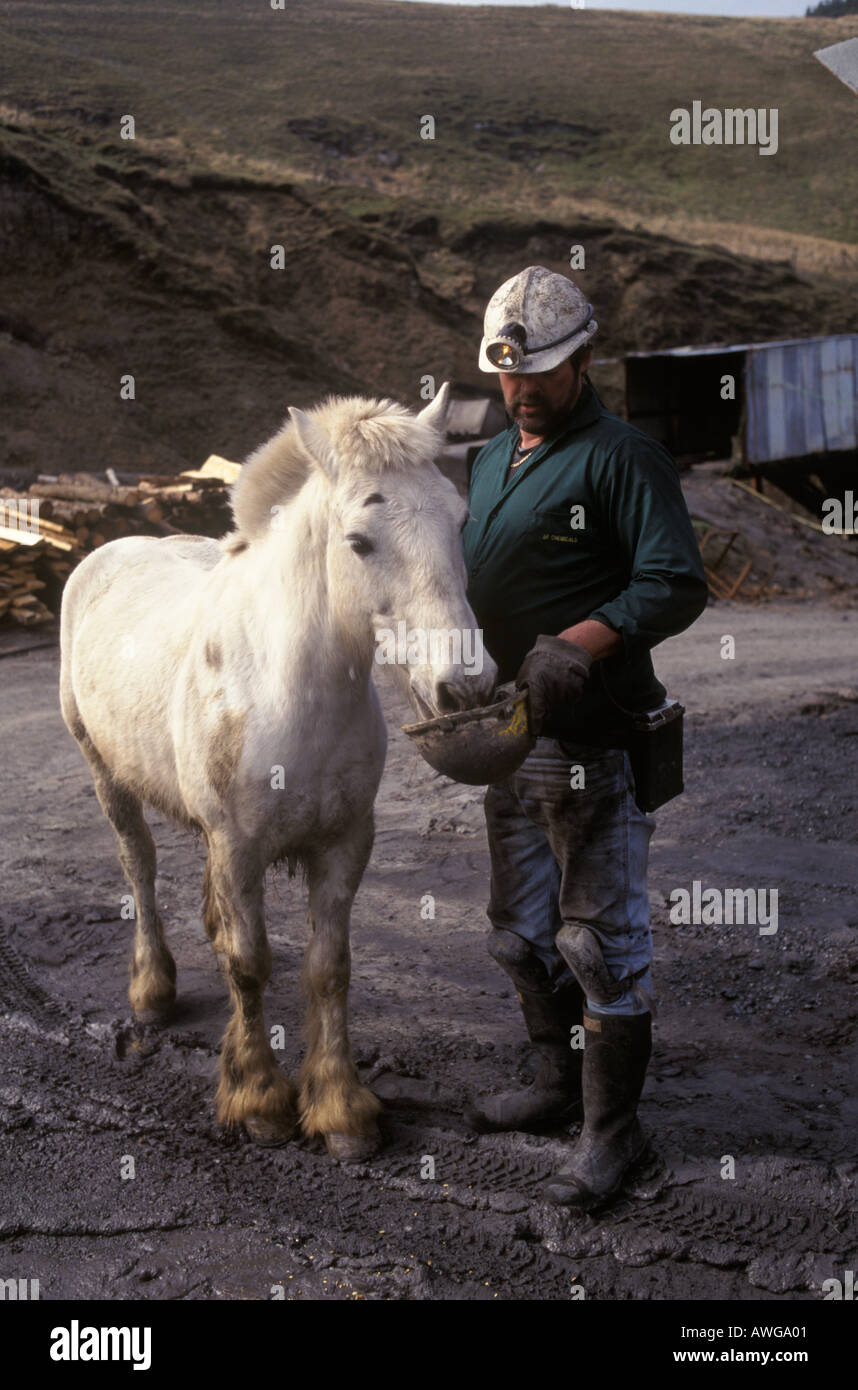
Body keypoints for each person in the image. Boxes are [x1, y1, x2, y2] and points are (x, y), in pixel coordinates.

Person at [462, 265, 709, 1209]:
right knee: (519, 939)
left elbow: (674, 583)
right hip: (511, 740)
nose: (522, 391)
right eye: (508, 375)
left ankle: (617, 1138)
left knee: (598, 944)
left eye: (542, 374)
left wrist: (582, 639)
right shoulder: (491, 458)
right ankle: (556, 1085)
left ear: (584, 361)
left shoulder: (623, 458)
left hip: (596, 741)